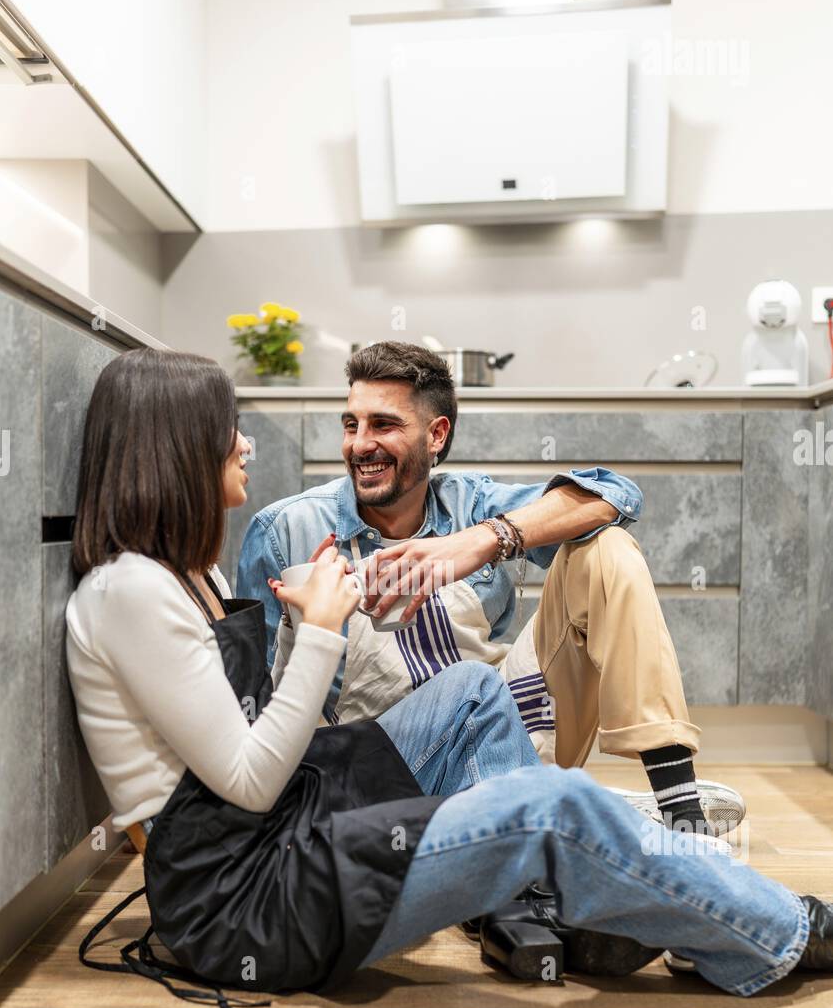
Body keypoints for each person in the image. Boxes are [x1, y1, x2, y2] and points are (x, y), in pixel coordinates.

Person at [66, 348, 833, 1008]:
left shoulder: (172, 575)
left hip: (274, 829)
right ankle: (782, 931)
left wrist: (319, 620)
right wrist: (325, 629)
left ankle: (551, 896)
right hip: (248, 900)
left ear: (435, 436)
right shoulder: (134, 589)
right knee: (555, 807)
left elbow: (249, 750)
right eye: (226, 428)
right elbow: (251, 777)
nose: (246, 443)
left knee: (467, 691)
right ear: (175, 446)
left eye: (381, 422)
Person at [238, 341, 744, 841]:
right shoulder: (287, 530)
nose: (359, 444)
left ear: (437, 435)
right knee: (476, 705)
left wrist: (484, 540)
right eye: (352, 424)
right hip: (378, 772)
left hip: (508, 737)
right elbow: (254, 703)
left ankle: (677, 803)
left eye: (384, 424)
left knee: (604, 548)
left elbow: (614, 495)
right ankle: (572, 816)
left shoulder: (472, 504)